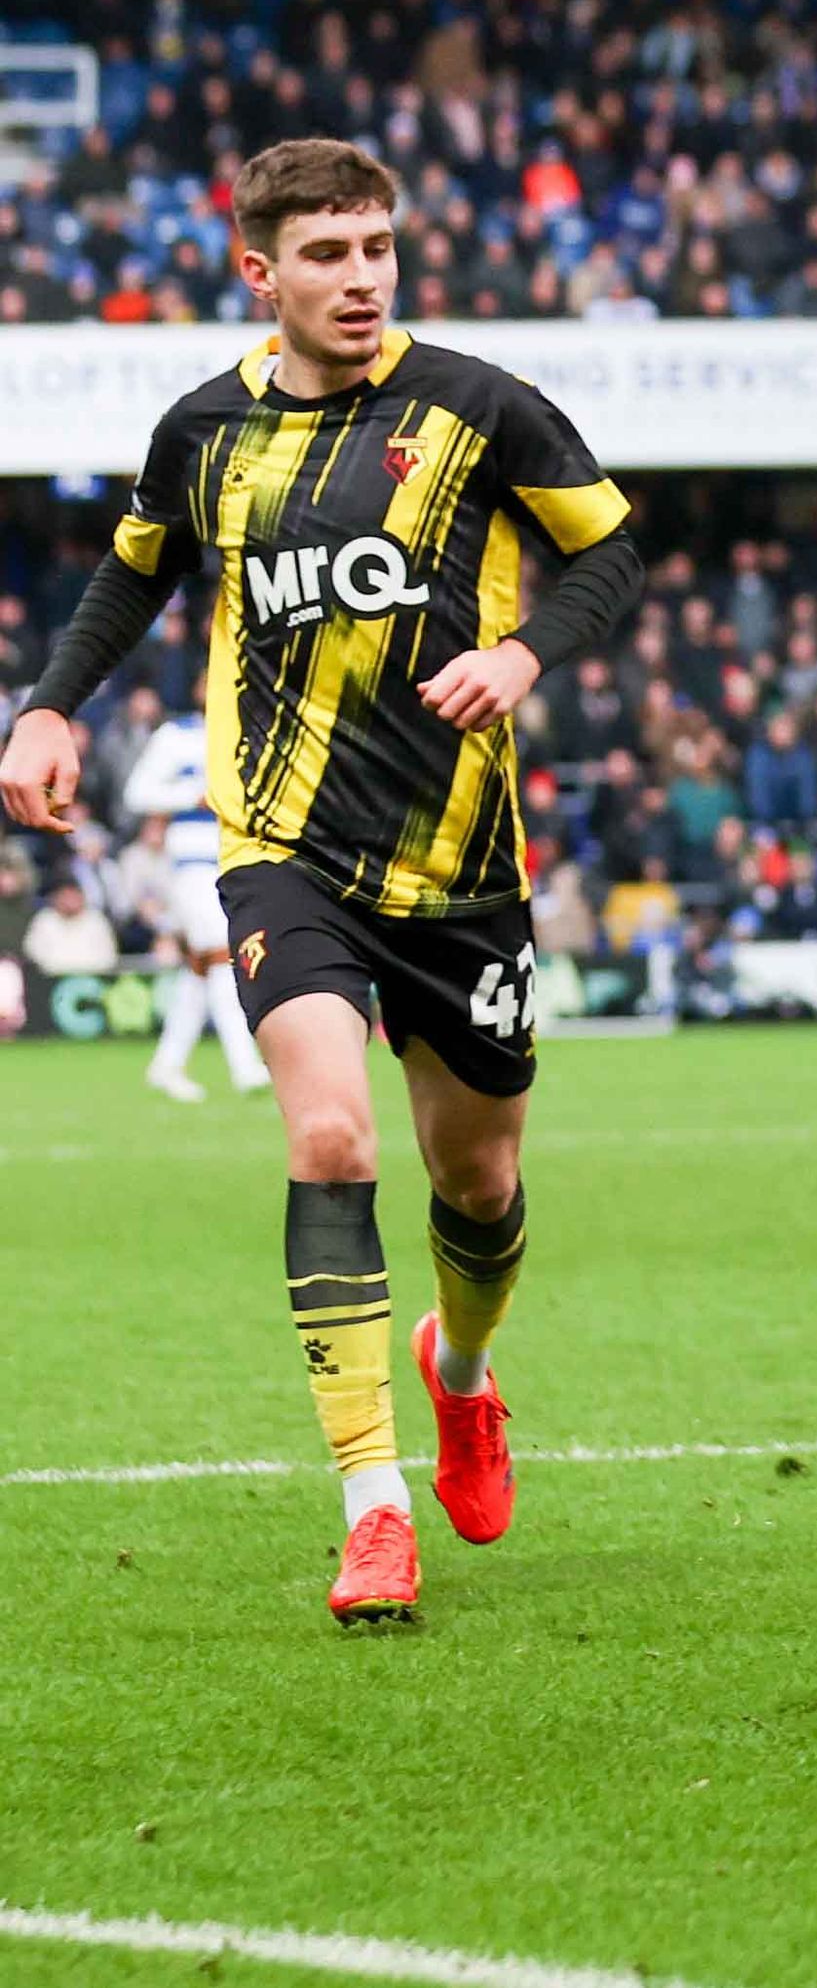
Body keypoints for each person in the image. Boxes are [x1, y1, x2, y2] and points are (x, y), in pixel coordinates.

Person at [0, 138, 647, 1626]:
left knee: (477, 1181)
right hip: (281, 850)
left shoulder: (478, 403)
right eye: (329, 255)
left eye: (378, 249)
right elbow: (132, 574)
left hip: (464, 865)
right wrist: (48, 704)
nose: (362, 278)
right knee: (335, 1137)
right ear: (260, 272)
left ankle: (462, 1375)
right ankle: (372, 1505)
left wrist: (524, 651)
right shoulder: (202, 431)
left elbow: (611, 552)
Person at [121, 708, 272, 1100]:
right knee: (222, 954)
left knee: (202, 966)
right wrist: (194, 795)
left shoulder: (257, 728)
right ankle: (245, 1066)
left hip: (240, 858)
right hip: (193, 862)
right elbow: (137, 792)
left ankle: (167, 1065)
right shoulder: (179, 735)